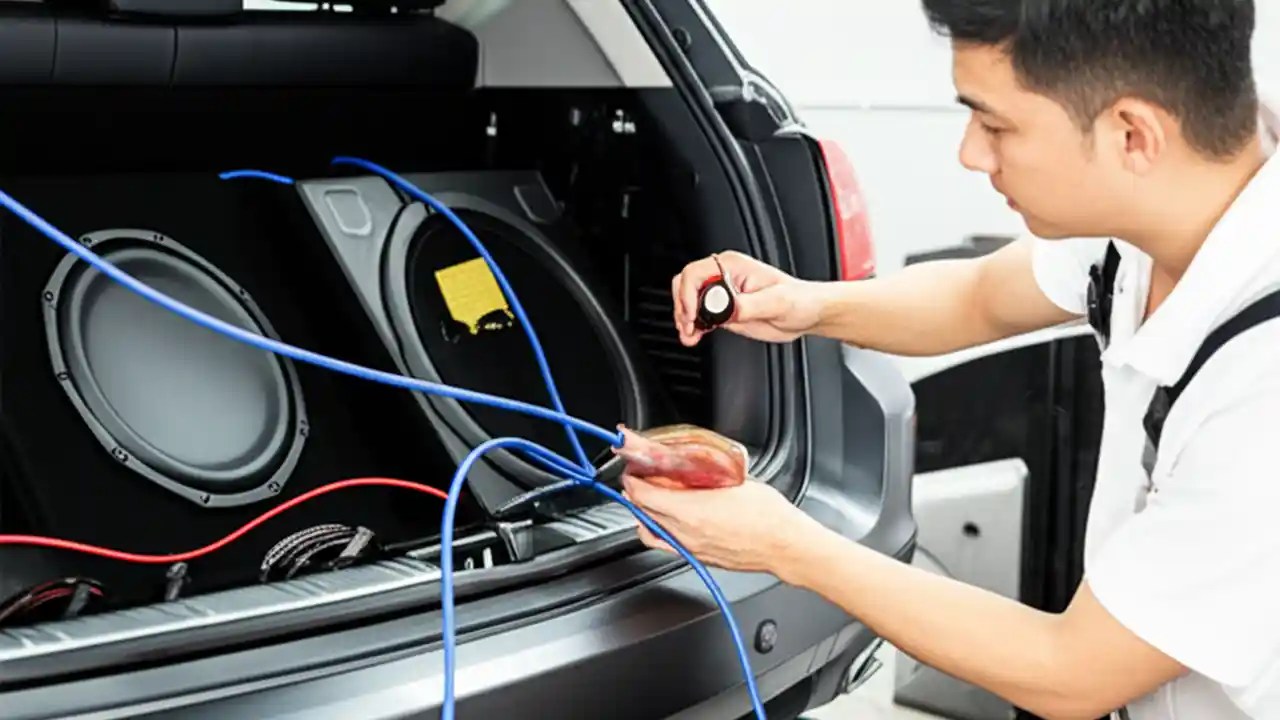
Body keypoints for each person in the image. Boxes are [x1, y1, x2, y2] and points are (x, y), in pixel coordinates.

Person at [621, 2, 1280, 719]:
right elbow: (979, 296)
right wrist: (805, 305)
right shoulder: (1159, 211)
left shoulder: (1263, 386)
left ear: (1133, 135)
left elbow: (1071, 671)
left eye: (996, 126)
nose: (971, 153)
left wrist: (782, 544)